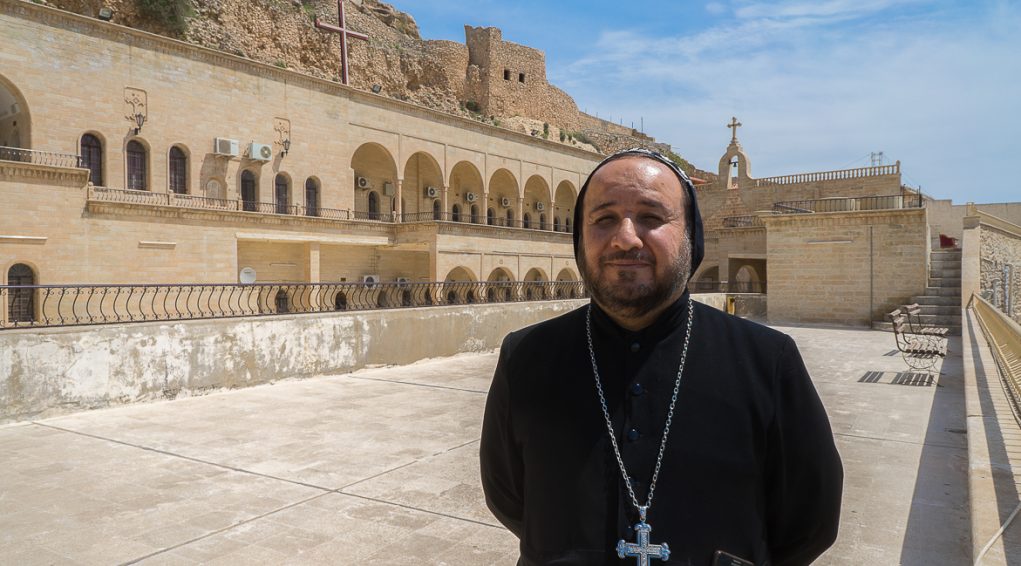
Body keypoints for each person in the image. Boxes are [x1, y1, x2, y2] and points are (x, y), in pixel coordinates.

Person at [480, 148, 843, 565]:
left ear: (692, 235)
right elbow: (508, 496)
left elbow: (810, 520)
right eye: (604, 219)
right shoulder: (526, 358)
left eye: (651, 218)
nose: (626, 238)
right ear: (579, 238)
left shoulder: (767, 362)